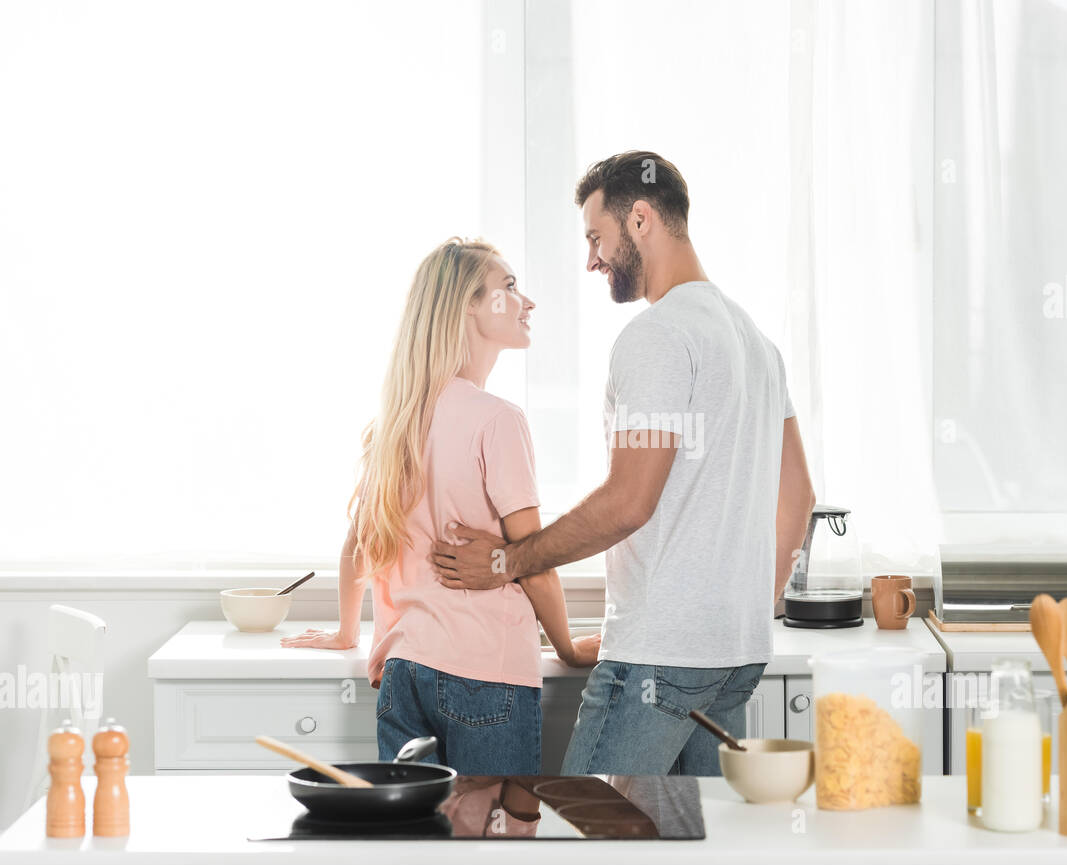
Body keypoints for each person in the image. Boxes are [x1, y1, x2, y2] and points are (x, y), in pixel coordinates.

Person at [430, 152, 817, 775]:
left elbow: (630, 501)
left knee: (590, 837)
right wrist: (738, 607)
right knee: (694, 839)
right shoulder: (755, 341)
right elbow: (797, 497)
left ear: (640, 219)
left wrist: (507, 561)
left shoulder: (658, 336)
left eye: (595, 237)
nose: (591, 260)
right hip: (738, 655)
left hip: (659, 658)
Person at [281, 237, 600, 774]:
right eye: (509, 287)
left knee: (415, 842)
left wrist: (345, 632)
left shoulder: (397, 421)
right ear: (468, 306)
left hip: (404, 676)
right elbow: (533, 558)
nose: (528, 302)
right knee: (494, 846)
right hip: (486, 675)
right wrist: (565, 647)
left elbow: (358, 544)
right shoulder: (497, 419)